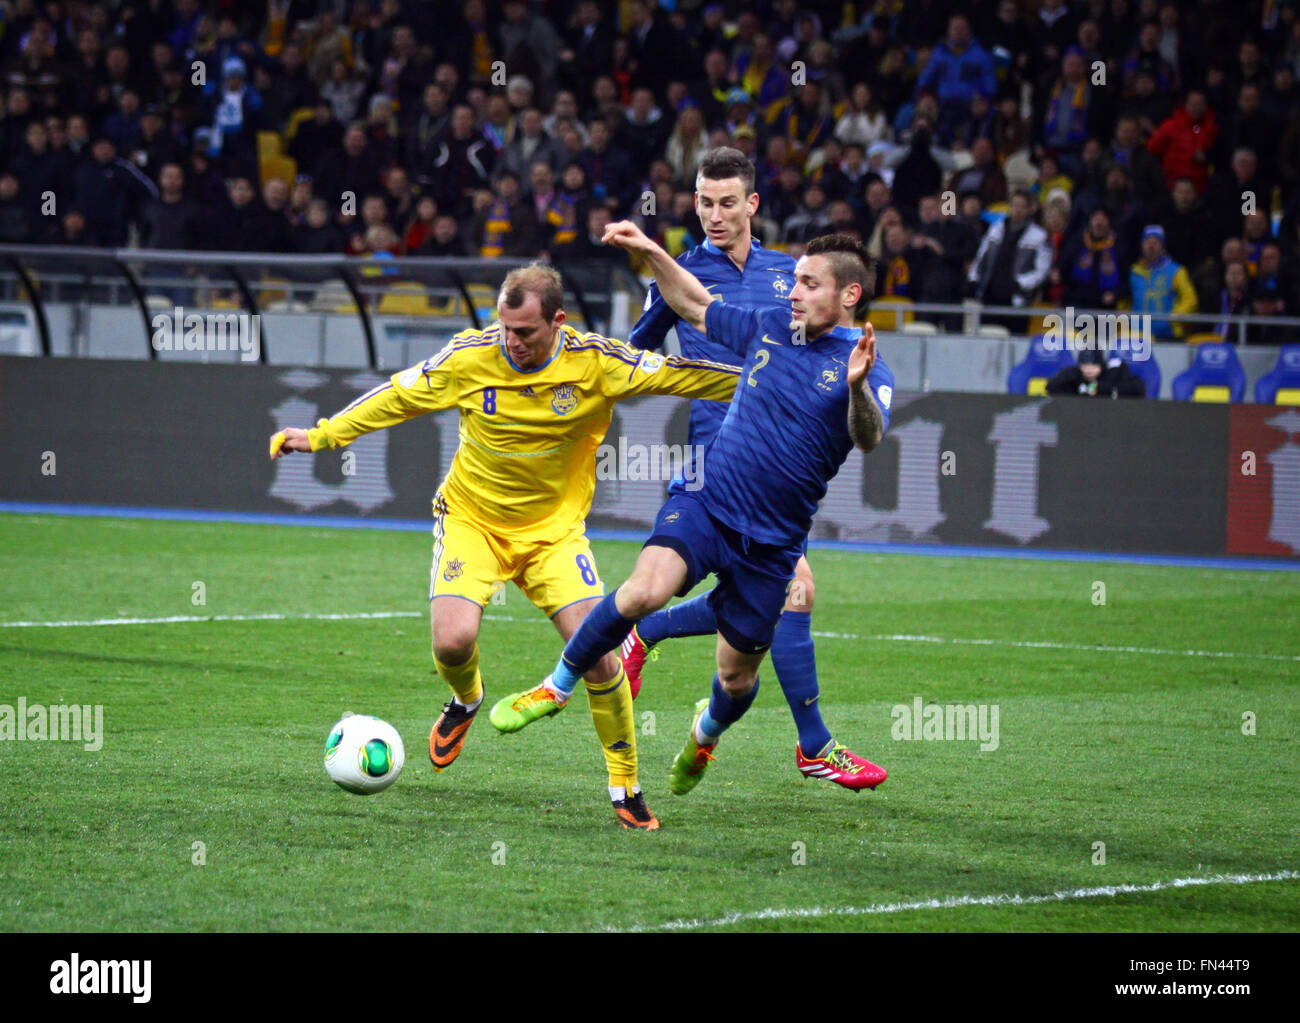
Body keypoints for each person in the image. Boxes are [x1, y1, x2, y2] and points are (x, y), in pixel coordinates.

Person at [268, 265, 741, 830]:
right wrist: (323, 435)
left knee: (601, 658)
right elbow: (398, 396)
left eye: (525, 332)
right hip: (473, 520)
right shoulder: (471, 356)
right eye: (505, 328)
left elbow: (686, 377)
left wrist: (781, 378)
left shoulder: (598, 363)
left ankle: (625, 784)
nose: (511, 342)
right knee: (452, 640)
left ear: (558, 323)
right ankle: (467, 699)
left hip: (554, 535)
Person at [489, 228, 895, 797]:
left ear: (849, 295)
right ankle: (555, 687)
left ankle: (704, 735)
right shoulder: (773, 327)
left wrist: (855, 388)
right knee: (643, 591)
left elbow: (869, 435)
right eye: (795, 279)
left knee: (736, 679)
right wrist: (651, 250)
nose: (794, 292)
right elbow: (695, 304)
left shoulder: (869, 367)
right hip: (709, 500)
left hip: (774, 542)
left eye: (808, 283)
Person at [605, 147, 879, 788]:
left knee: (769, 602)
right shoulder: (679, 277)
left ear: (752, 204)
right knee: (793, 589)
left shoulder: (793, 277)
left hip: (776, 462)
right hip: (713, 459)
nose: (715, 214)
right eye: (704, 202)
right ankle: (813, 745)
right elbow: (627, 360)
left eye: (728, 202)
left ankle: (649, 632)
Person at [1130, 224, 1196, 340]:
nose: (1151, 246)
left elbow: (1190, 299)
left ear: (1163, 246)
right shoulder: (1134, 271)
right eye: (1147, 242)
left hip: (1169, 336)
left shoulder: (1176, 271)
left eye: (1155, 242)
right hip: (1138, 337)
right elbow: (1125, 301)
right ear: (1142, 245)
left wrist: (1174, 318)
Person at [1046, 348, 1145, 397]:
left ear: (1101, 365)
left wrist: (1107, 390)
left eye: (1093, 365)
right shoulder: (1074, 375)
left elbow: (1138, 389)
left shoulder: (1114, 371)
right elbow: (1051, 387)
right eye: (1085, 365)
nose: (1089, 370)